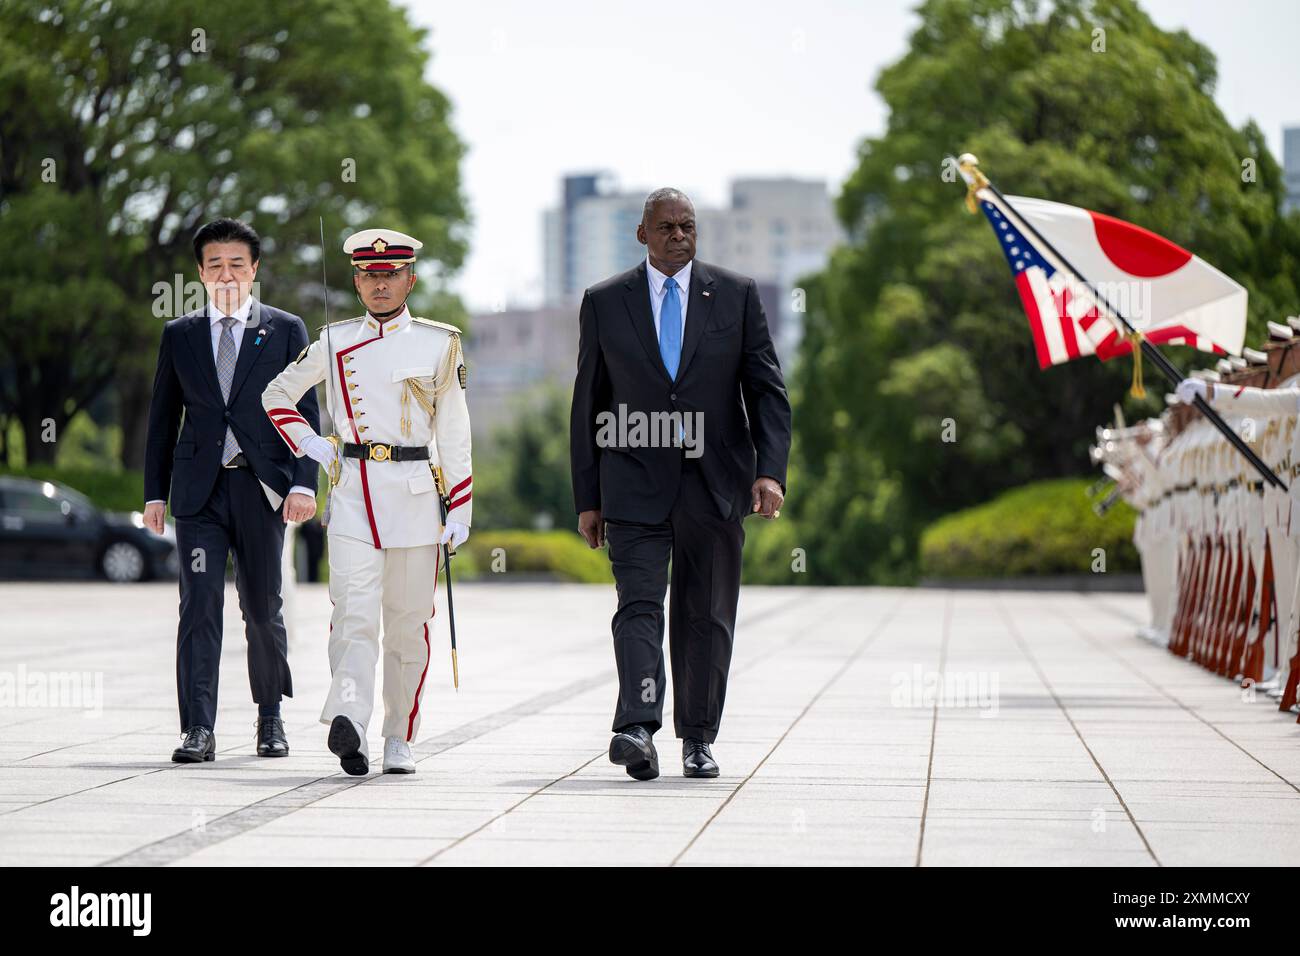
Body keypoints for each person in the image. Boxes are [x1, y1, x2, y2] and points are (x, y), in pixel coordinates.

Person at [569, 188, 792, 780]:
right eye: (666, 226)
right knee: (638, 606)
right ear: (642, 233)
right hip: (633, 482)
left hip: (715, 484)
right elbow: (587, 403)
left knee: (707, 614)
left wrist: (770, 471)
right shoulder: (604, 301)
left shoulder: (737, 296)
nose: (678, 236)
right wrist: (588, 499)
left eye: (688, 226)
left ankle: (698, 737)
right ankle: (638, 726)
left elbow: (766, 390)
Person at [261, 228, 472, 775]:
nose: (381, 284)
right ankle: (349, 718)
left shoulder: (438, 343)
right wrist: (310, 444)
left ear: (410, 278)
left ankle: (399, 733)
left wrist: (462, 507)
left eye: (391, 275)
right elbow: (277, 394)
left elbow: (453, 431)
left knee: (407, 624)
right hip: (353, 491)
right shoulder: (334, 340)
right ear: (356, 281)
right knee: (352, 614)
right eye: (370, 275)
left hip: (416, 497)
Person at [144, 217, 320, 763]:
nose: (226, 274)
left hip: (261, 487)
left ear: (254, 270)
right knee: (199, 605)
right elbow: (162, 417)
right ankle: (198, 728)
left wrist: (303, 482)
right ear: (200, 272)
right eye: (215, 264)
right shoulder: (181, 335)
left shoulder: (286, 329)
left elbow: (305, 411)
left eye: (236, 264)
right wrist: (155, 493)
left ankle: (271, 719)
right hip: (199, 495)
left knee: (263, 608)